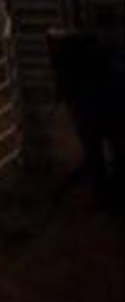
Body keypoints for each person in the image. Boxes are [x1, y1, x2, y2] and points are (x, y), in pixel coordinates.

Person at [45, 29, 125, 203]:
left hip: (91, 110)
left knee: (97, 154)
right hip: (108, 107)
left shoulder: (70, 64)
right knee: (115, 149)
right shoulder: (103, 60)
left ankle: (104, 192)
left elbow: (65, 89)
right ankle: (113, 190)